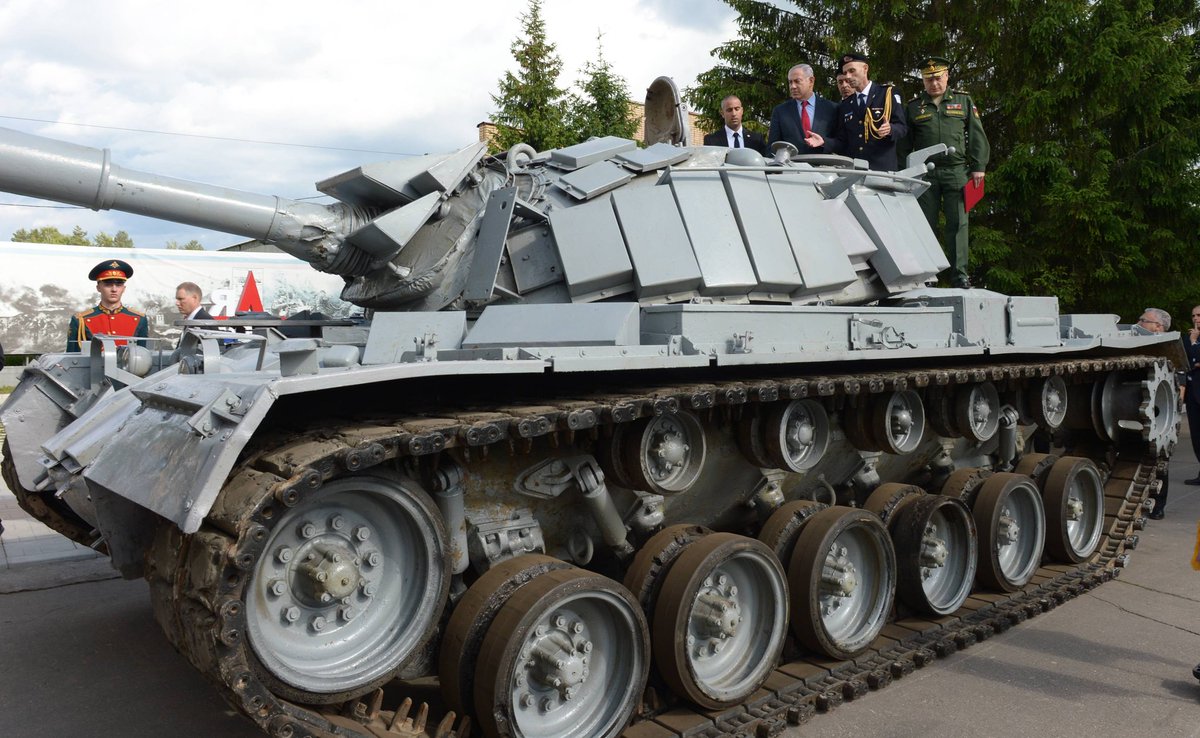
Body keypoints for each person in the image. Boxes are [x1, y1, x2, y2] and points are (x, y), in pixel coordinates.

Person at [897, 56, 991, 289]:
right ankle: (927, 275)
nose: (934, 83)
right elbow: (904, 144)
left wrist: (979, 167)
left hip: (957, 171)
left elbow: (977, 134)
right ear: (923, 80)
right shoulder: (913, 106)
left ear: (947, 76)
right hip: (924, 173)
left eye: (938, 77)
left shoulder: (963, 101)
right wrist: (904, 173)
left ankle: (959, 275)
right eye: (929, 79)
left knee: (958, 224)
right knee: (924, 225)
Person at [804, 52, 907, 171]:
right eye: (845, 73)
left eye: (852, 71)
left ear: (865, 69)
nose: (847, 76)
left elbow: (902, 128)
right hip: (855, 173)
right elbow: (843, 142)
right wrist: (824, 142)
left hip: (882, 171)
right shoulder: (845, 105)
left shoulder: (887, 94)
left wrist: (890, 129)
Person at [66, 259, 149, 353]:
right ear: (98, 288)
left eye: (119, 285)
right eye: (108, 285)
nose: (114, 289)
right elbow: (72, 359)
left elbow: (144, 357)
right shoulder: (80, 320)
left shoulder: (139, 319)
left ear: (124, 288)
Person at [1137, 308, 1172, 519]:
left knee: (1160, 461)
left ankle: (1158, 506)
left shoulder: (1168, 346)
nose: (1139, 323)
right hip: (1140, 405)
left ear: (1158, 327)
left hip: (1160, 413)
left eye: (1144, 321)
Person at [768, 64, 837, 155]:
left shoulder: (832, 108)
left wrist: (824, 142)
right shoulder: (780, 111)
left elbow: (841, 142)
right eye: (790, 82)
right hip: (792, 167)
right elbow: (772, 147)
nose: (793, 86)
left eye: (797, 81)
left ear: (811, 81)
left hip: (824, 167)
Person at [702, 95, 768, 155]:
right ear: (722, 113)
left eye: (737, 109)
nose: (734, 113)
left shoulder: (757, 139)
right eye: (729, 110)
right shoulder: (711, 140)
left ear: (742, 111)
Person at [1181, 305, 1200, 487]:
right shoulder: (1189, 338)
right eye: (1193, 315)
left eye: (1199, 315)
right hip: (1193, 395)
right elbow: (1185, 362)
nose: (1196, 318)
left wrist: (1194, 344)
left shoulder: (1192, 339)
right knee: (1196, 436)